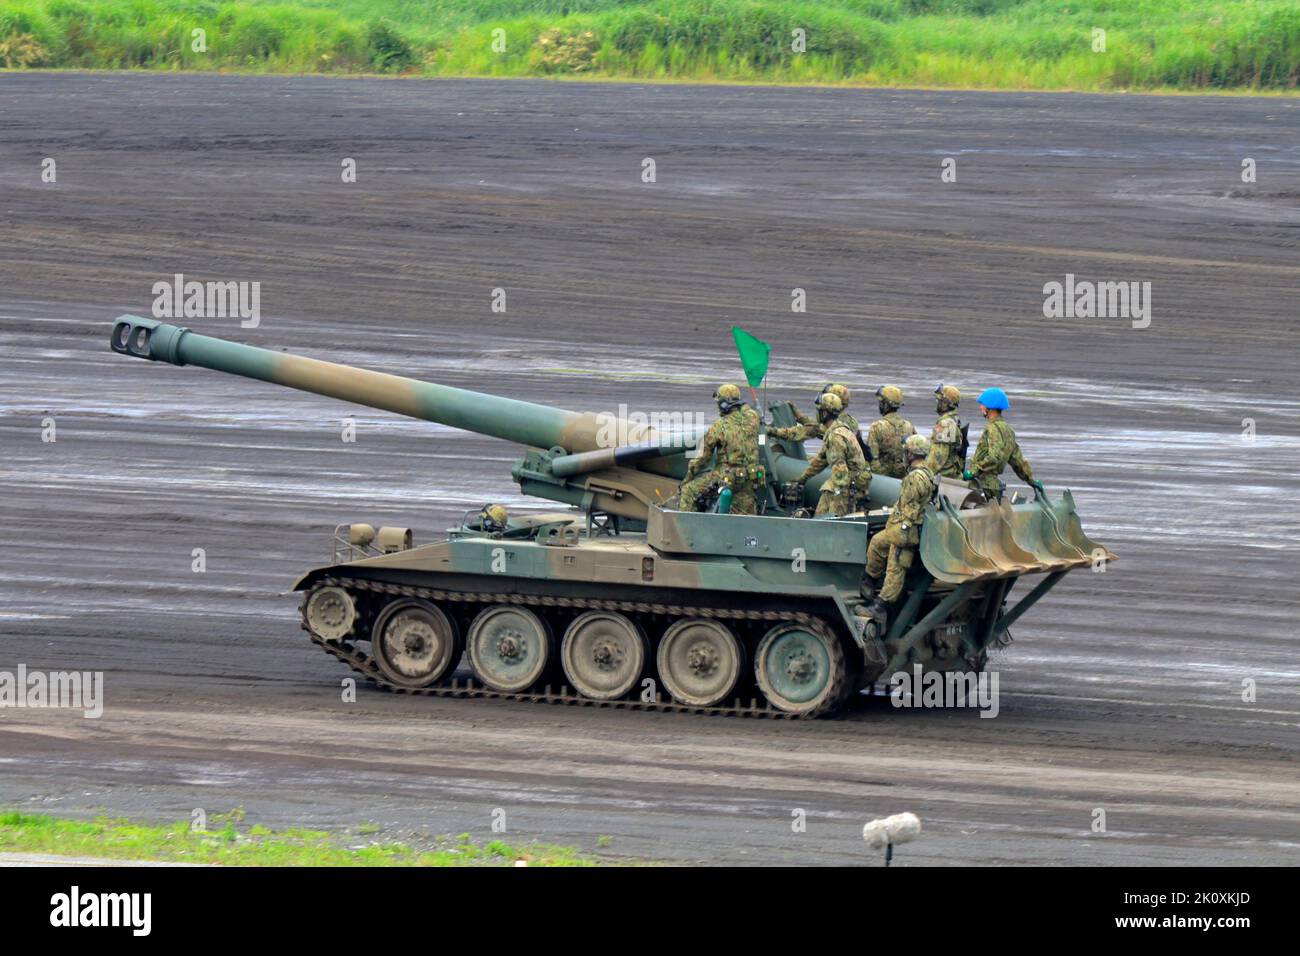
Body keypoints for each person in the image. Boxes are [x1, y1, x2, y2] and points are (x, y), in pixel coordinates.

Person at [860, 434, 936, 624]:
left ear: (911, 453)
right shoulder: (927, 473)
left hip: (905, 531)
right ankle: (869, 582)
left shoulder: (914, 478)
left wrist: (902, 531)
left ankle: (881, 606)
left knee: (896, 568)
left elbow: (909, 507)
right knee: (877, 543)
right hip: (901, 527)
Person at [678, 383, 762, 515]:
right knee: (746, 515)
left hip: (726, 477)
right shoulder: (754, 417)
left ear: (723, 404)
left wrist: (689, 476)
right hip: (750, 478)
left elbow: (702, 459)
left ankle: (684, 530)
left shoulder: (719, 426)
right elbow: (749, 411)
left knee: (688, 491)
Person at [788, 392, 868, 516]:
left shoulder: (836, 436)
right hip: (844, 483)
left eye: (818, 410)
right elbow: (820, 460)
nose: (816, 413)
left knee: (832, 521)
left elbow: (841, 474)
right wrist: (802, 479)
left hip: (845, 487)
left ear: (824, 413)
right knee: (821, 513)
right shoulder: (838, 430)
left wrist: (838, 504)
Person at [963, 387, 1043, 502]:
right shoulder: (1008, 430)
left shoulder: (993, 428)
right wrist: (1031, 480)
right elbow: (1018, 460)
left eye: (983, 404)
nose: (981, 407)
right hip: (994, 487)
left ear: (990, 407)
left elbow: (994, 457)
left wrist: (973, 471)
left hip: (983, 486)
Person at [769, 383, 859, 442]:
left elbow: (809, 430)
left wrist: (772, 431)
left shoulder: (835, 425)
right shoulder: (849, 420)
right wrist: (797, 413)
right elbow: (817, 425)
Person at [864, 385, 916, 479]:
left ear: (885, 405)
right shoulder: (909, 426)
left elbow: (872, 459)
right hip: (903, 478)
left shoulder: (877, 427)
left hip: (883, 480)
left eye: (881, 402)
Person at [923, 384, 967, 479]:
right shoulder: (954, 420)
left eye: (939, 401)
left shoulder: (946, 424)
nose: (937, 403)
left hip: (944, 477)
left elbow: (937, 459)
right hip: (949, 475)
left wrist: (922, 474)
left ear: (945, 403)